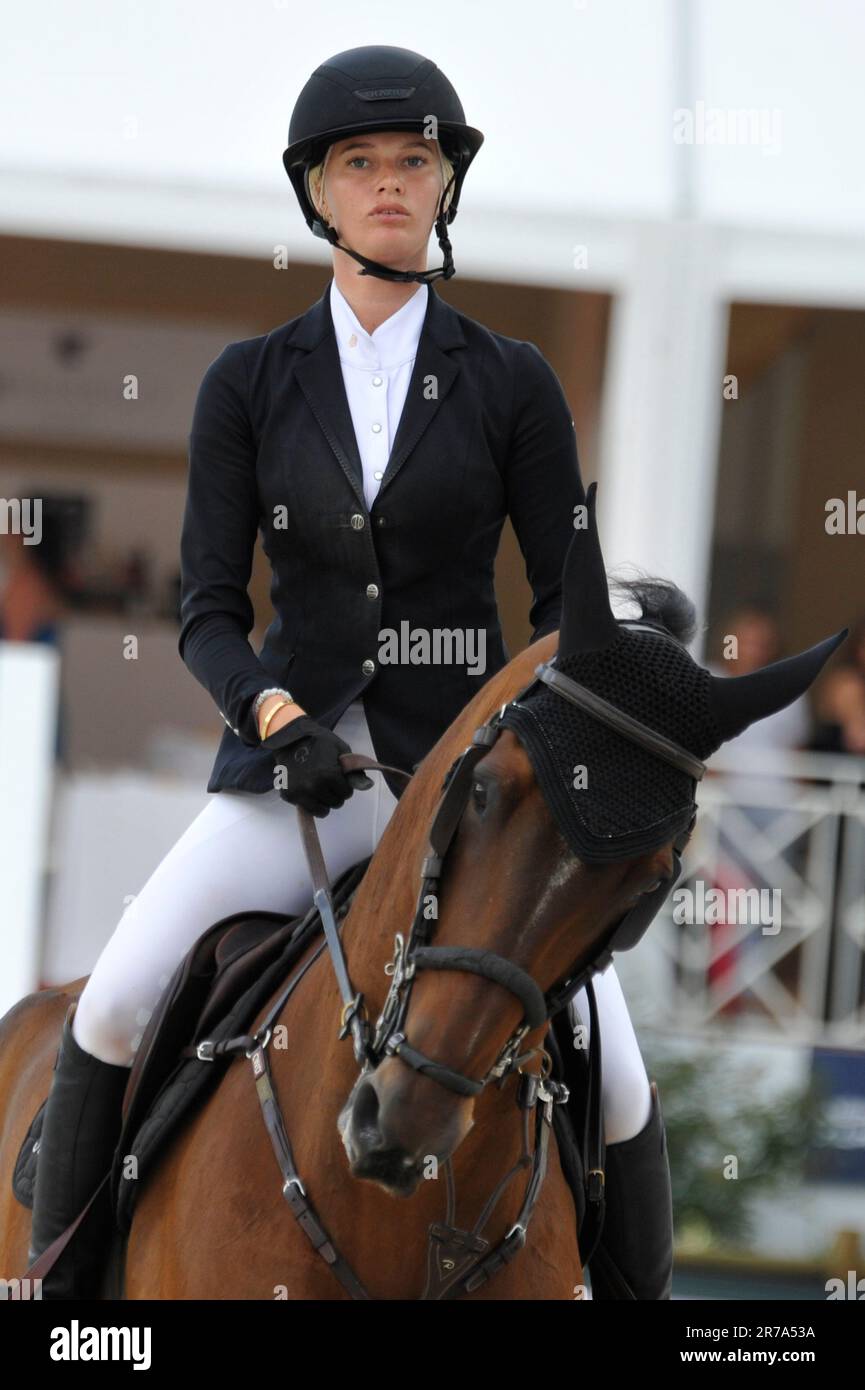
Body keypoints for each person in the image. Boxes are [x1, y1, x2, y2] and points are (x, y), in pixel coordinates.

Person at [28, 44, 670, 1300]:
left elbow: (561, 606)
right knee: (112, 1003)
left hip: (466, 793)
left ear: (444, 186)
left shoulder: (512, 383)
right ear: (317, 195)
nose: (388, 183)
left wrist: (543, 745)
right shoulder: (250, 383)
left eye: (413, 162)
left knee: (619, 1067)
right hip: (292, 776)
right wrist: (273, 715)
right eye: (360, 164)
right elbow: (210, 608)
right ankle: (65, 1306)